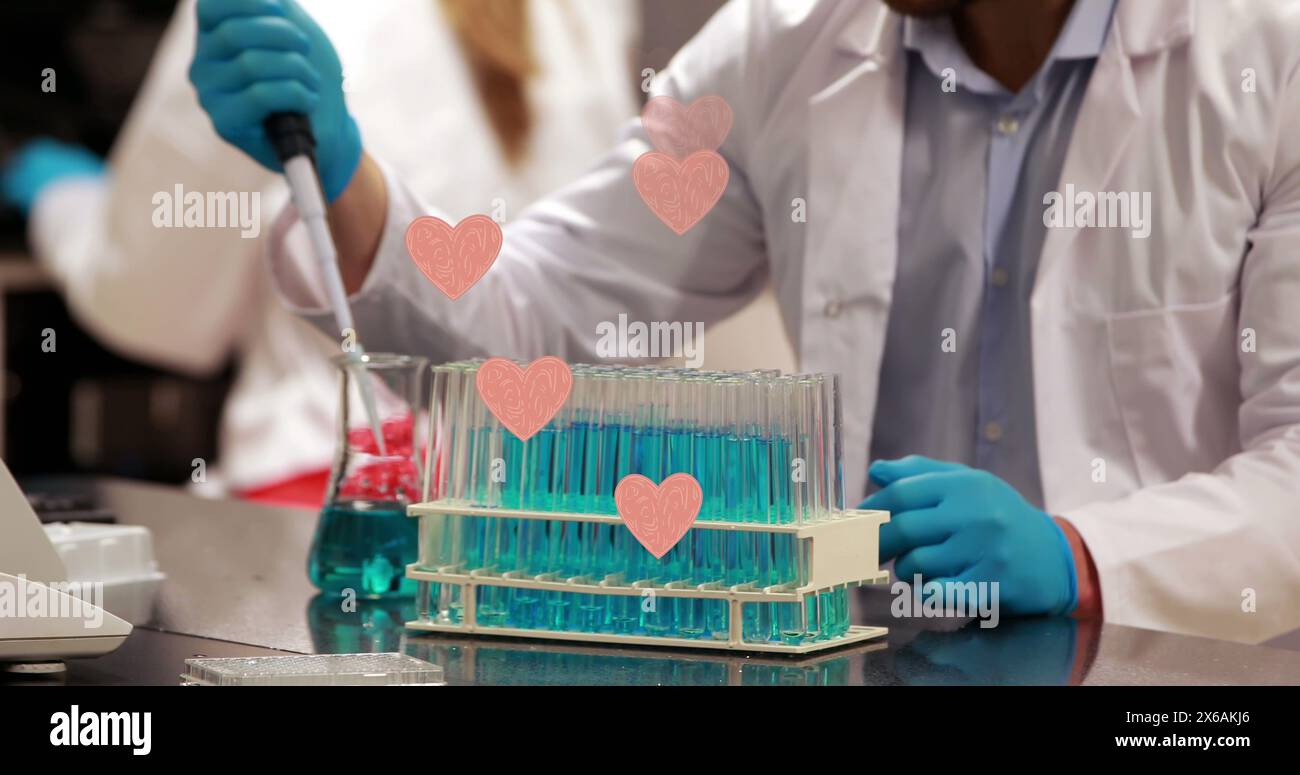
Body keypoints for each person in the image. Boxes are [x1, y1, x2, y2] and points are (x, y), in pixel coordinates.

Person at [188, 0, 1300, 645]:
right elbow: (540, 323)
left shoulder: (1268, 53)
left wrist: (1080, 555)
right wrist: (342, 178)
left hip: (1181, 681)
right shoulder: (789, 41)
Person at [0, 0, 639, 504]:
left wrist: (59, 196)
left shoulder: (262, 15)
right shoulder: (579, 13)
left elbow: (152, 307)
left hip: (337, 501)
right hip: (556, 502)